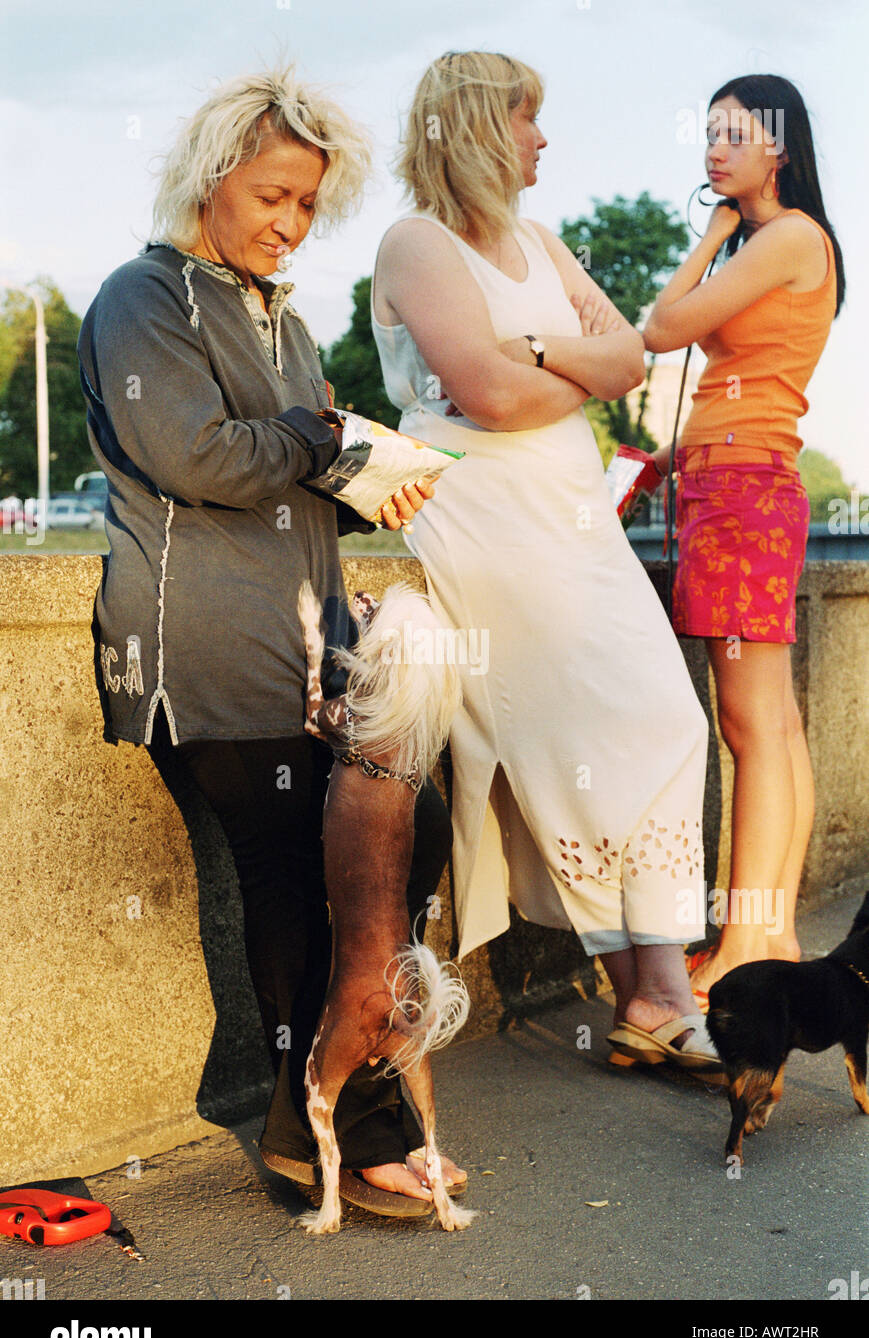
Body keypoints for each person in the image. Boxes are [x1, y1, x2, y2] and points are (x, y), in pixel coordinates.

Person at [77, 64, 463, 1215]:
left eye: (307, 205)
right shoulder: (140, 299)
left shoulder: (277, 316)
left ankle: (337, 1099)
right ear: (211, 177)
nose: (291, 224)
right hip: (195, 649)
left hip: (295, 647)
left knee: (405, 837)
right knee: (297, 870)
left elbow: (285, 467)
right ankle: (326, 1128)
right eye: (272, 196)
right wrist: (313, 435)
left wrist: (363, 478)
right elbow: (199, 457)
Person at [372, 50, 720, 1072]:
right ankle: (651, 997)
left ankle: (653, 995)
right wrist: (554, 360)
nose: (540, 140)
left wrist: (528, 356)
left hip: (573, 514)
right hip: (489, 520)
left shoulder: (539, 240)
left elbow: (632, 354)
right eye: (526, 120)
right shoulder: (415, 242)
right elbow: (485, 396)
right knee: (582, 737)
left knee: (664, 716)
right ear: (477, 128)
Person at [643, 75, 844, 1000]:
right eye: (708, 132)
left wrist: (715, 235)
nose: (713, 149)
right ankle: (775, 933)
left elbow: (661, 327)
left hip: (741, 490)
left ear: (781, 150)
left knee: (750, 725)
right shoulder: (779, 243)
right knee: (776, 726)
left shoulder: (788, 237)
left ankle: (746, 946)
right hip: (743, 483)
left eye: (734, 135)